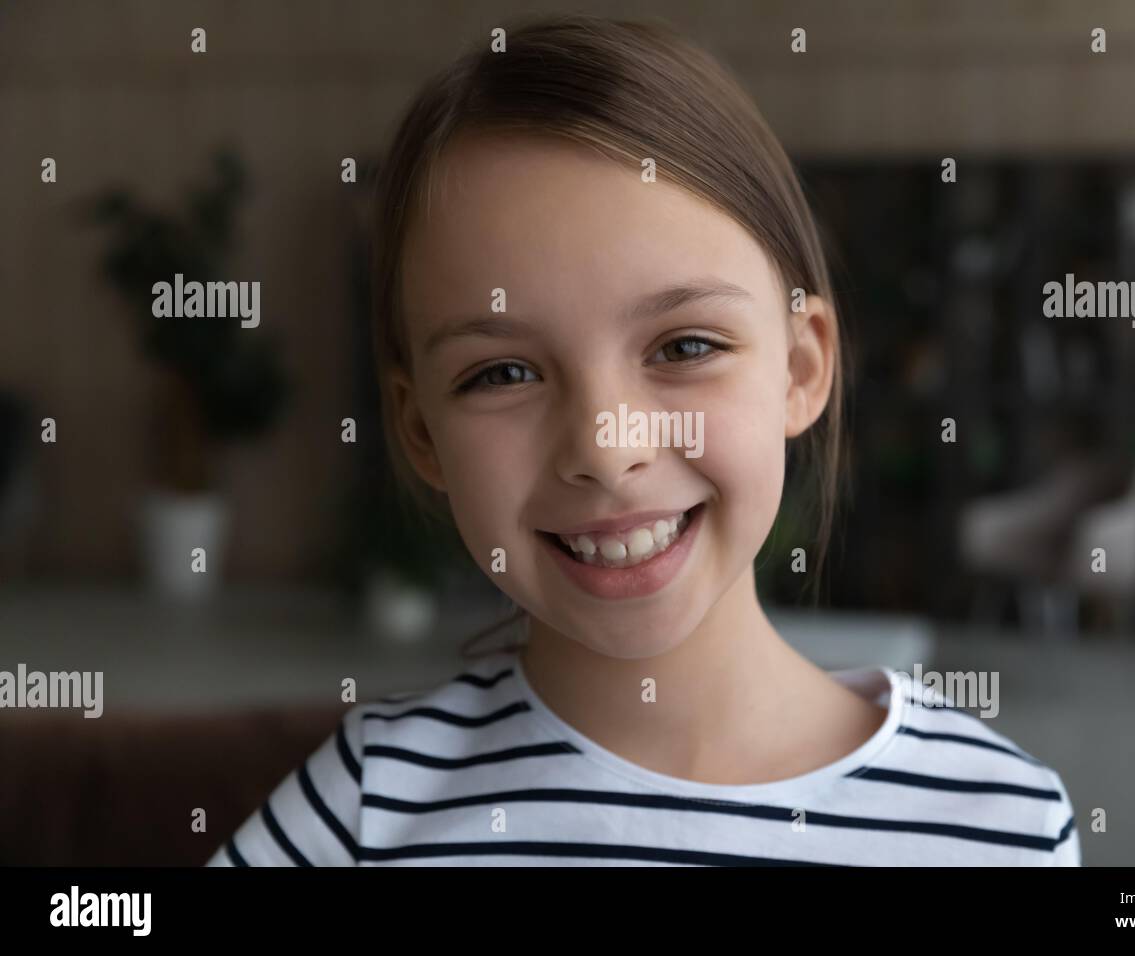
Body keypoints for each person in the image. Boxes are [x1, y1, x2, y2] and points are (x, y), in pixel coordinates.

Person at [209, 13, 1079, 867]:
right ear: (419, 431)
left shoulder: (1000, 824)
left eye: (685, 347)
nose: (605, 444)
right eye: (503, 373)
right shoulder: (368, 805)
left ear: (801, 368)